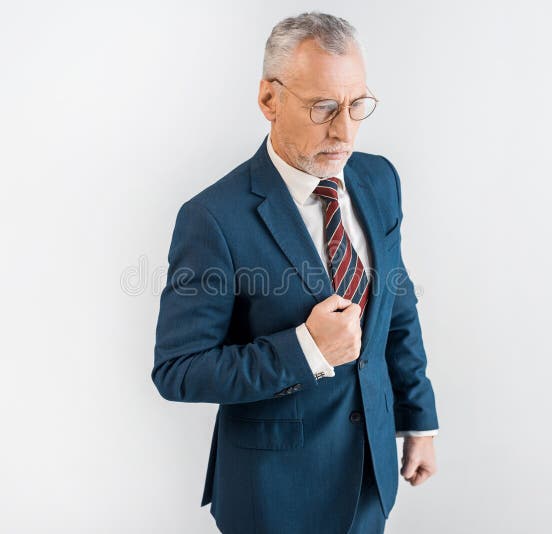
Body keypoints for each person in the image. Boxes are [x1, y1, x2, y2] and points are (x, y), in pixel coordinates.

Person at [152, 11, 439, 534]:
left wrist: (417, 416)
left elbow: (396, 300)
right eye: (323, 107)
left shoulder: (378, 178)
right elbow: (178, 370)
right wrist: (307, 349)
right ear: (269, 99)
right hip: (273, 497)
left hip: (371, 478)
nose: (344, 131)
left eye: (358, 106)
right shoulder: (212, 219)